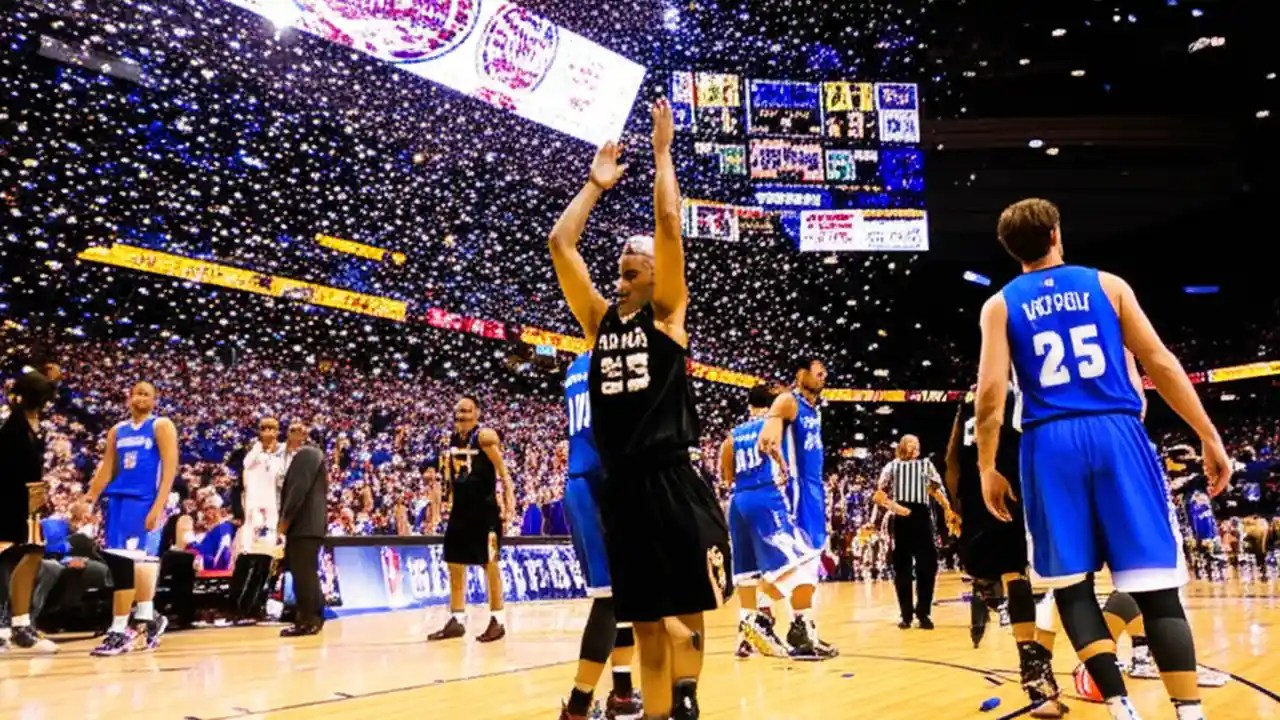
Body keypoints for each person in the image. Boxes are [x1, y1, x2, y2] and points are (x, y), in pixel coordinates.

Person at [976, 198, 1231, 720]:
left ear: (1010, 249)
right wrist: (1208, 434)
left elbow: (989, 395)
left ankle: (1120, 707)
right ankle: (1189, 713)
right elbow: (1159, 360)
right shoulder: (1109, 285)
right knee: (1157, 589)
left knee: (1072, 588)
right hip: (1117, 433)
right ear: (1055, 234)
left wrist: (986, 466)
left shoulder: (999, 305)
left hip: (1048, 444)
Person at [548, 98, 731, 720]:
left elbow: (670, 225)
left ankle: (686, 698)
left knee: (689, 613)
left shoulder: (668, 316)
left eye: (632, 271)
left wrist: (661, 154)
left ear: (657, 277)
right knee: (648, 627)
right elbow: (560, 243)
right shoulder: (599, 323)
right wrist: (594, 186)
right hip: (622, 490)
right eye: (619, 272)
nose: (621, 280)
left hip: (673, 479)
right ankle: (661, 711)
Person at [947, 381, 1067, 718]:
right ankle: (1036, 675)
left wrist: (956, 503)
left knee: (1011, 572)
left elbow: (952, 457)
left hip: (975, 494)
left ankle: (986, 592)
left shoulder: (971, 396)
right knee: (1037, 578)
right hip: (1008, 485)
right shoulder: (1018, 391)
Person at [558, 351, 643, 720]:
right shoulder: (620, 358)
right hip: (608, 485)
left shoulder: (575, 366)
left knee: (621, 597)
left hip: (580, 483)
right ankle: (578, 704)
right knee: (611, 599)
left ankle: (622, 693)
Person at [725, 383, 832, 660]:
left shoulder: (733, 434)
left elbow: (726, 474)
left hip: (737, 501)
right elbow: (771, 446)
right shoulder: (776, 425)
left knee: (747, 574)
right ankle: (773, 622)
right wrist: (783, 467)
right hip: (768, 498)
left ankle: (746, 632)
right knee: (803, 560)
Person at [86, 381, 178, 656]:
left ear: (154, 400)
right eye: (136, 393)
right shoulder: (118, 430)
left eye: (146, 394)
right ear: (128, 398)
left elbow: (170, 469)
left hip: (144, 501)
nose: (140, 397)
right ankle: (147, 619)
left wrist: (158, 507)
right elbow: (107, 467)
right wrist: (89, 497)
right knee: (120, 563)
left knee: (135, 564)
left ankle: (121, 628)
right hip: (117, 501)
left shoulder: (161, 425)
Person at [756, 358, 838, 654]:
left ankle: (792, 625)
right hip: (797, 490)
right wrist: (771, 437)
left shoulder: (814, 409)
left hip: (813, 489)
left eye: (824, 372)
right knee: (801, 561)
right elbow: (771, 428)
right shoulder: (790, 401)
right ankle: (768, 619)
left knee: (807, 563)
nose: (823, 374)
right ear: (801, 374)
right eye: (817, 370)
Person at [427, 395, 514, 643]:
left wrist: (509, 501)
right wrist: (437, 507)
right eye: (458, 411)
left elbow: (503, 472)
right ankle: (457, 619)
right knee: (454, 563)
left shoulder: (484, 437)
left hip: (484, 510)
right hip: (460, 511)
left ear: (476, 413)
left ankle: (498, 619)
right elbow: (445, 477)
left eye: (466, 410)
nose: (462, 415)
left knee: (490, 564)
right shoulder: (451, 440)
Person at [872, 433, 958, 630]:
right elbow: (878, 495)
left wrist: (948, 509)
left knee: (927, 566)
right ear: (902, 446)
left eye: (916, 444)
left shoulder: (926, 465)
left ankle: (924, 612)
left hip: (922, 515)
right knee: (901, 568)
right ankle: (906, 614)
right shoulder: (891, 466)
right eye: (910, 443)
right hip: (901, 517)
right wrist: (894, 507)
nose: (914, 447)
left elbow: (936, 489)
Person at [0, 371, 58, 652]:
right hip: (8, 498)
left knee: (34, 551)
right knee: (5, 558)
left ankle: (21, 624)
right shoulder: (10, 426)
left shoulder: (35, 425)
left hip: (30, 500)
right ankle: (8, 627)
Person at [277, 427, 328, 636]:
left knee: (303, 573)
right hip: (312, 525)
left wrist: (285, 520)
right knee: (308, 572)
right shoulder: (316, 456)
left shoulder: (307, 454)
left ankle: (307, 620)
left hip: (304, 524)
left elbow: (298, 490)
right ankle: (314, 616)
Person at [241, 417, 285, 554]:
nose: (268, 432)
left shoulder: (282, 451)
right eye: (264, 429)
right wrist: (259, 448)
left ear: (277, 432)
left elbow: (282, 473)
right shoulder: (255, 450)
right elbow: (246, 464)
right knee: (253, 528)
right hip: (254, 498)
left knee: (271, 530)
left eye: (271, 429)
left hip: (271, 498)